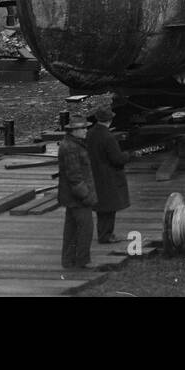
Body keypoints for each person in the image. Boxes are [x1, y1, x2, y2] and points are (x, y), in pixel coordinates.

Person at [85, 104, 130, 244]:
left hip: (94, 173)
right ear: (110, 120)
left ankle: (103, 233)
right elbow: (117, 159)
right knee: (110, 207)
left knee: (101, 208)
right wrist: (127, 155)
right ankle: (107, 235)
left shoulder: (90, 133)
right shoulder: (108, 137)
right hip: (109, 176)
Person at [58, 117, 97, 270]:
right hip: (78, 198)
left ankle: (69, 261)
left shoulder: (72, 144)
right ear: (74, 131)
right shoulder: (72, 148)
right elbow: (75, 177)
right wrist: (86, 196)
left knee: (72, 230)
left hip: (71, 197)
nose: (86, 130)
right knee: (85, 229)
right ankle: (81, 261)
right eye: (83, 128)